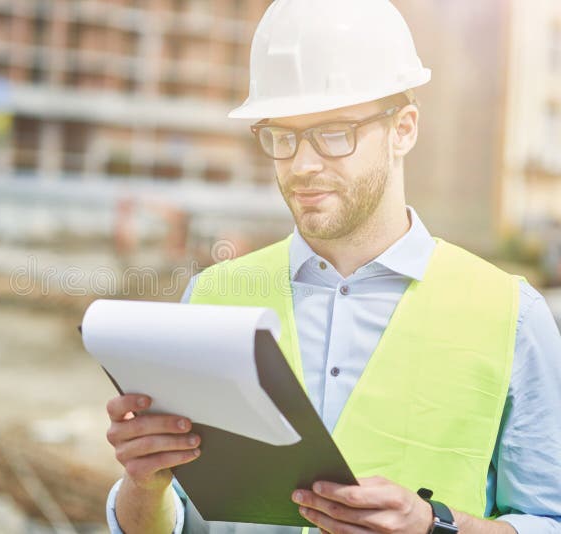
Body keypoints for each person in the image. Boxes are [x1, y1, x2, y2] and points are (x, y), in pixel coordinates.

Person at [103, 1, 561, 532]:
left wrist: (434, 525)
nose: (302, 165)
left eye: (335, 132)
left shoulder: (511, 315)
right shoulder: (211, 298)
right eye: (282, 136)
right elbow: (177, 521)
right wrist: (145, 485)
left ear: (404, 129)